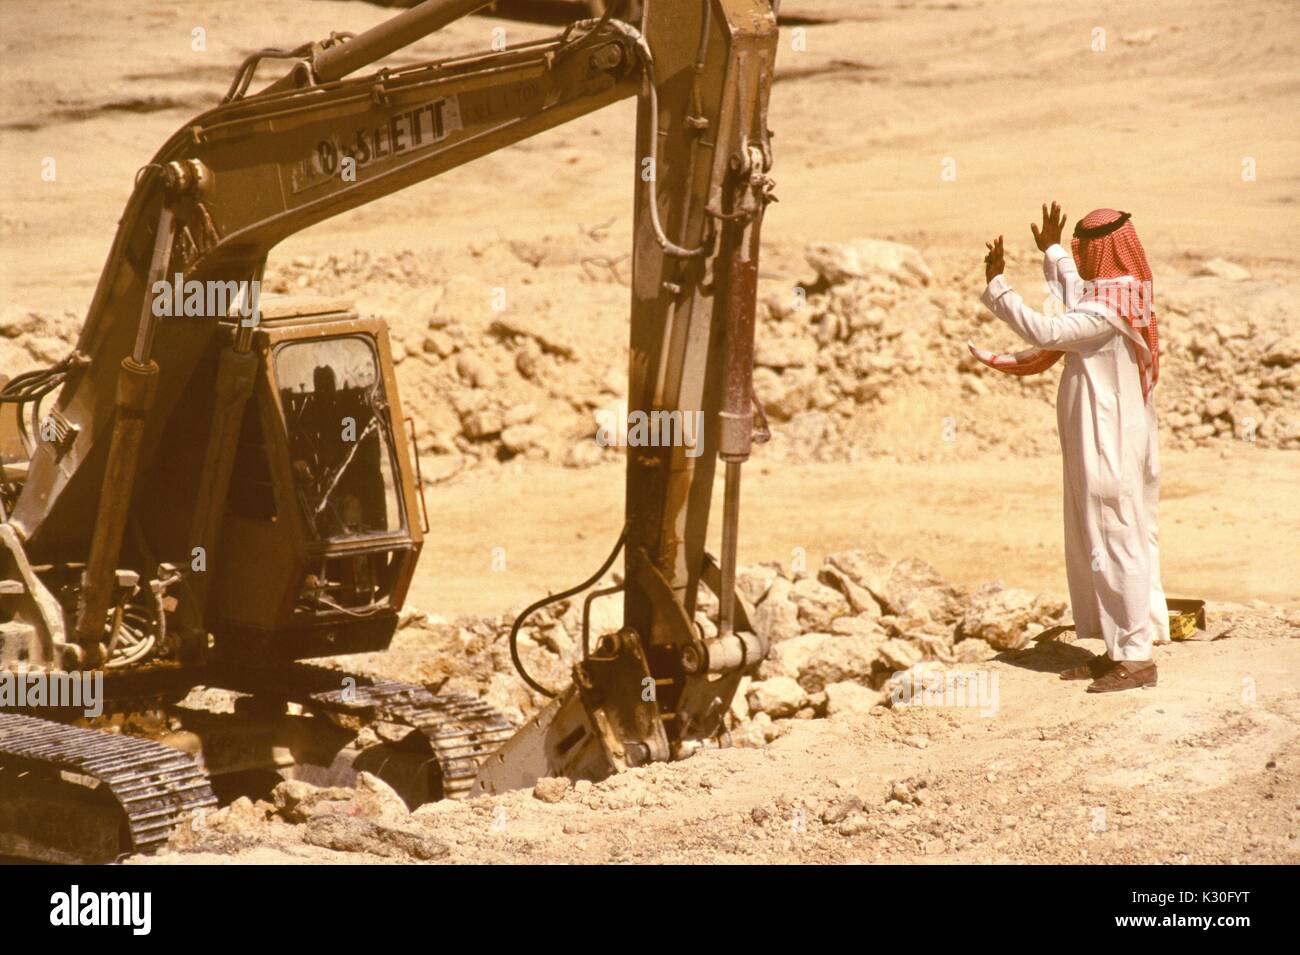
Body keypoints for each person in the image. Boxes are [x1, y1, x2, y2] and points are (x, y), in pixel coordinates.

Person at [974, 203, 1169, 693]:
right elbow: (1079, 293)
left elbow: (1050, 330)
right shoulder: (1125, 293)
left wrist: (999, 285)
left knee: (1114, 537)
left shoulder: (1106, 311)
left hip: (1107, 438)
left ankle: (1137, 659)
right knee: (1109, 538)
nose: (1079, 256)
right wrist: (1053, 251)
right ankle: (1120, 646)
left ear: (1099, 250)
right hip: (1117, 433)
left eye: (1084, 247)